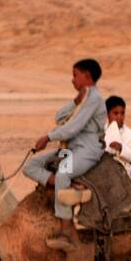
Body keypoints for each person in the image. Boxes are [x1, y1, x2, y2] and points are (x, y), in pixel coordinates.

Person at [22, 58, 108, 251]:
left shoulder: (94, 98)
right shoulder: (84, 99)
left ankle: (66, 231)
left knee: (63, 173)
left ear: (87, 77)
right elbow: (60, 117)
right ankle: (65, 187)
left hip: (87, 150)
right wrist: (74, 102)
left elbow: (71, 128)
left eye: (75, 75)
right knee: (31, 166)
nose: (72, 80)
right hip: (71, 150)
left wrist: (48, 137)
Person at [103, 96, 131, 164]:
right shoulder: (101, 132)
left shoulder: (129, 134)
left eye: (122, 113)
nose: (119, 117)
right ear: (107, 114)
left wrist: (121, 148)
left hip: (124, 169)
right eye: (115, 113)